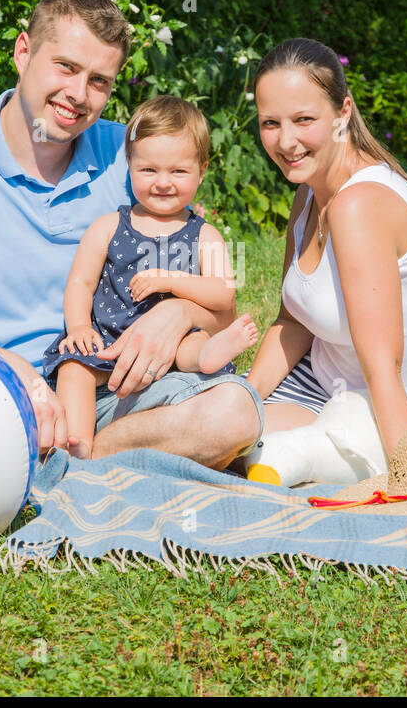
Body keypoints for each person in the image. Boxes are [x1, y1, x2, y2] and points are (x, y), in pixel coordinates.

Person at [0, 0, 264, 469]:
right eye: (65, 67)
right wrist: (6, 366)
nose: (79, 95)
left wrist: (180, 313)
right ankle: (88, 464)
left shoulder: (131, 159)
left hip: (111, 393)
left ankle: (77, 461)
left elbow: (219, 304)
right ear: (23, 52)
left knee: (233, 414)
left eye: (100, 81)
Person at [244, 37, 407, 471]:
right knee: (212, 424)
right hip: (324, 385)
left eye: (303, 119)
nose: (286, 141)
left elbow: (383, 366)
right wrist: (242, 399)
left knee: (237, 450)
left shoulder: (359, 204)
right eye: (270, 123)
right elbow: (292, 321)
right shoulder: (309, 194)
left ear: (342, 113)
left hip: (403, 413)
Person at [42, 94, 260, 458]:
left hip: (174, 350)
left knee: (192, 346)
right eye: (148, 170)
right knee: (74, 367)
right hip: (108, 342)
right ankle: (75, 445)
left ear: (202, 171)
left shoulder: (204, 235)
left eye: (178, 171)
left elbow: (223, 294)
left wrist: (172, 281)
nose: (163, 182)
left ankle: (210, 357)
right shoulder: (110, 225)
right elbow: (80, 282)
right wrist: (80, 327)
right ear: (130, 166)